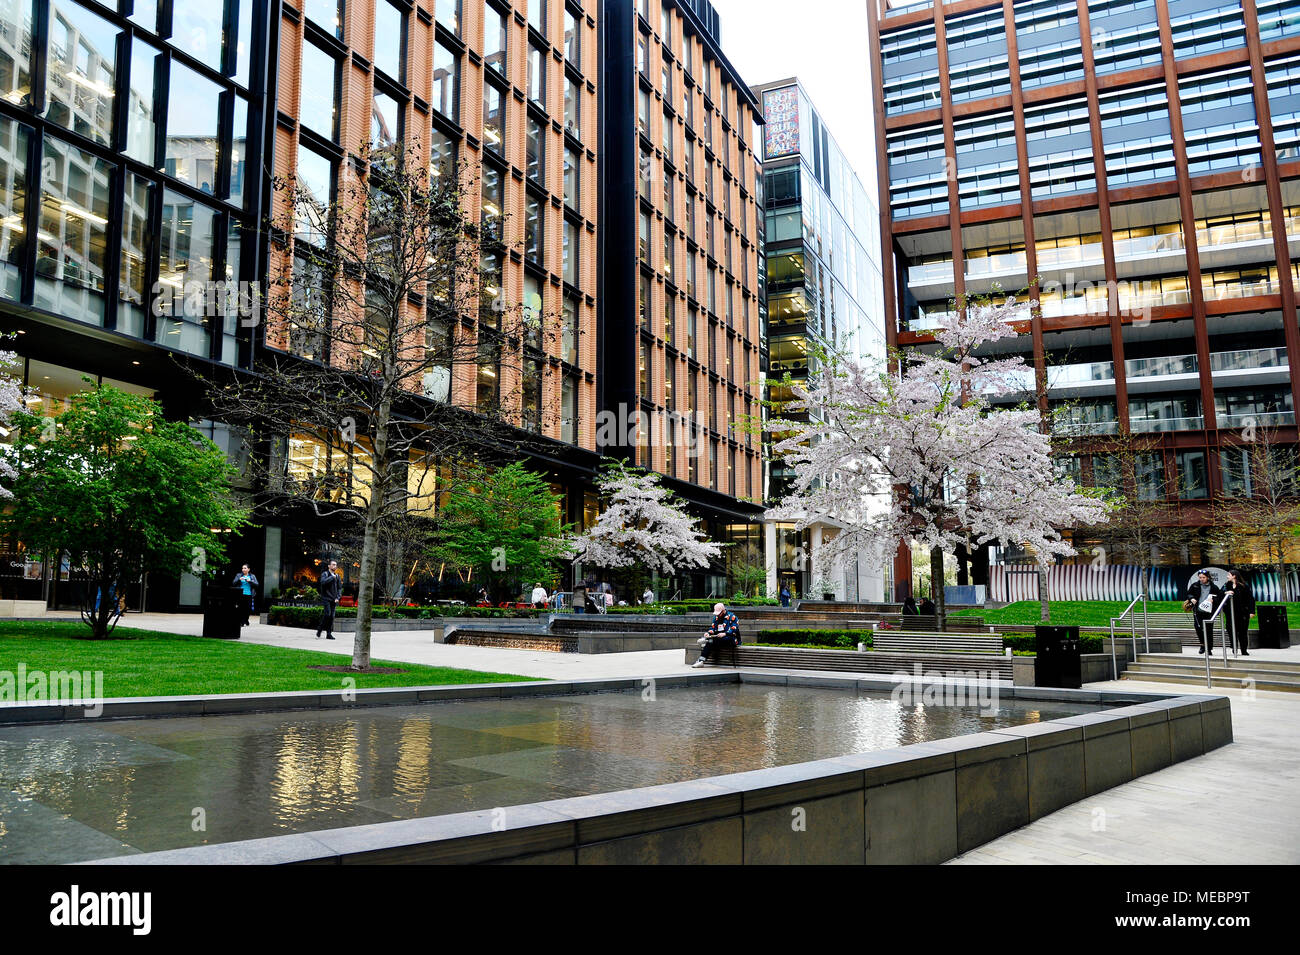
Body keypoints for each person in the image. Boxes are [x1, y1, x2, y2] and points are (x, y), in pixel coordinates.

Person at [1186, 569, 1223, 655]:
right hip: (1198, 611)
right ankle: (1203, 644)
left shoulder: (1214, 587)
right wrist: (1191, 598)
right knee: (1198, 628)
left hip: (1209, 612)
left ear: (1208, 577)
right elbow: (1189, 593)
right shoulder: (1195, 585)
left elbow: (1219, 598)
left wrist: (1213, 600)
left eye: (1203, 577)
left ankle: (1209, 648)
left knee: (1208, 630)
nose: (1201, 579)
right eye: (1200, 577)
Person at [694, 602, 740, 667]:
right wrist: (708, 633)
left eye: (719, 613)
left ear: (723, 611)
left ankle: (701, 660)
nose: (717, 615)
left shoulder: (732, 617)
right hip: (718, 638)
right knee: (711, 641)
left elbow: (734, 629)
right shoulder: (716, 618)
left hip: (732, 639)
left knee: (711, 641)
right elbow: (713, 628)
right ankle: (701, 660)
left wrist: (725, 634)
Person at [1224, 569, 1255, 656]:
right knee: (1230, 630)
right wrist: (1226, 592)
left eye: (1229, 575)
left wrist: (1252, 611)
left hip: (1242, 613)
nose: (1227, 576)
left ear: (1234, 576)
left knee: (1242, 632)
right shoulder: (1227, 585)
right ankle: (1234, 647)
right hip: (1230, 613)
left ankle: (1244, 650)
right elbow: (1220, 593)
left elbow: (1250, 599)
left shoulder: (1244, 586)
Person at [317, 560, 342, 640]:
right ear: (329, 566)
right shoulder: (325, 574)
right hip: (326, 598)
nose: (335, 566)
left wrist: (338, 597)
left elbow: (339, 588)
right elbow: (323, 582)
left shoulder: (337, 576)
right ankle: (320, 629)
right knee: (328, 614)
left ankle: (328, 633)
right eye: (333, 564)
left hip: (334, 599)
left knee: (332, 616)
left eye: (336, 565)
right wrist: (331, 577)